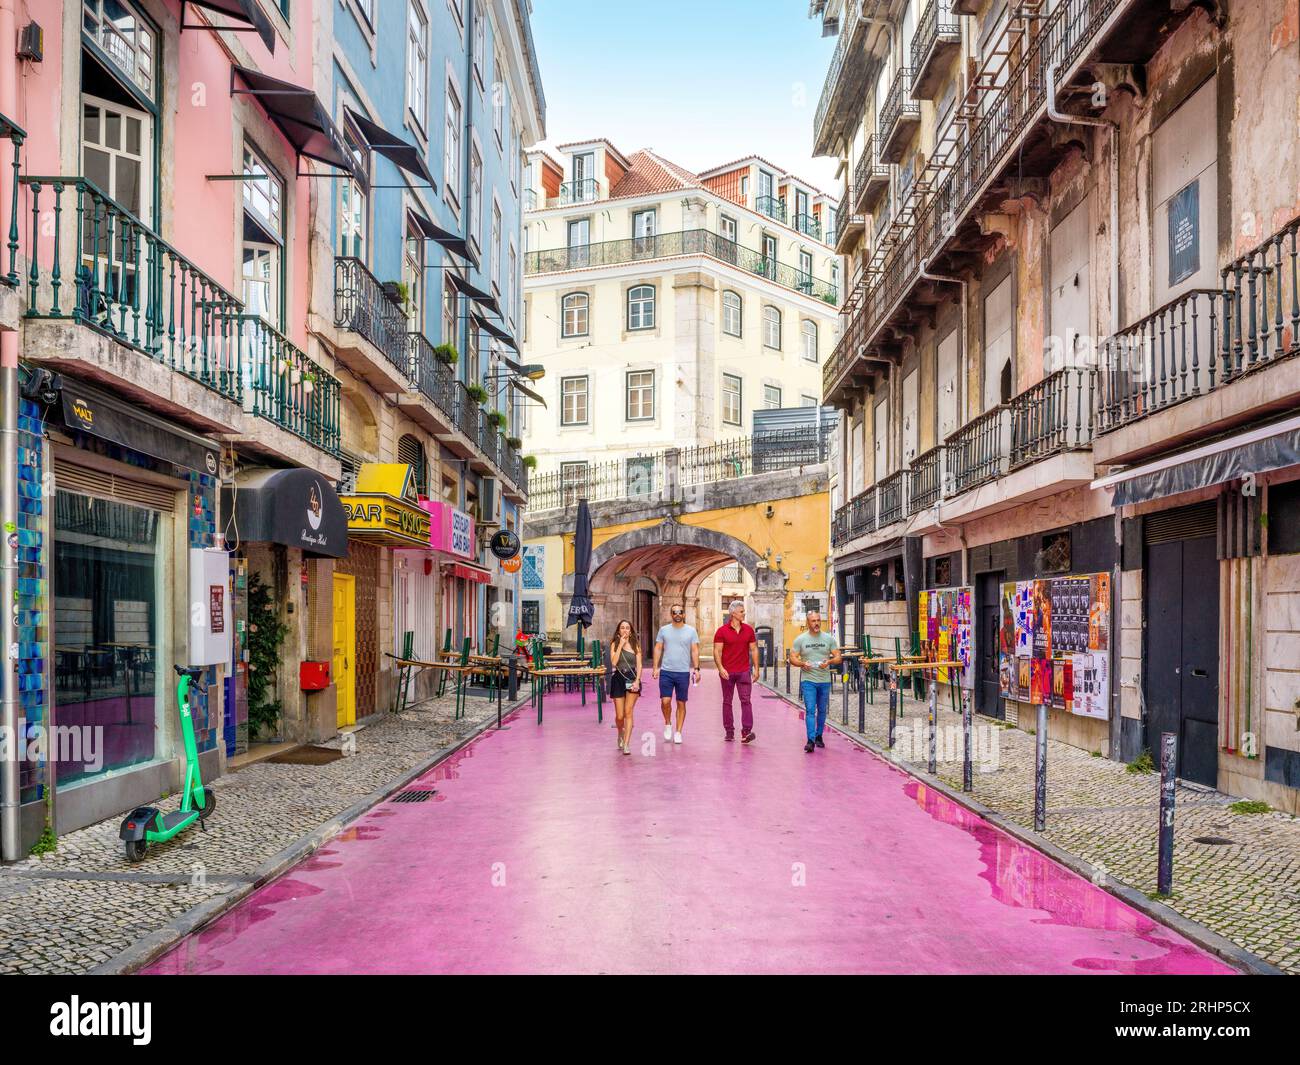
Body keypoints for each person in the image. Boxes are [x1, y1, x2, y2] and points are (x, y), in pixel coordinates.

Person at [789, 609, 841, 753]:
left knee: (822, 710)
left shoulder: (828, 638)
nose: (817, 623)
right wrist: (801, 664)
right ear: (808, 622)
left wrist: (829, 661)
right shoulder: (801, 639)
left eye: (818, 620)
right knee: (811, 710)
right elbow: (792, 657)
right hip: (808, 680)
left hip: (824, 680)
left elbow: (838, 657)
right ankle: (810, 740)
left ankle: (819, 736)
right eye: (813, 621)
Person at [652, 605, 699, 745]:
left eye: (680, 612)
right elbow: (658, 648)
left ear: (684, 614)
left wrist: (696, 669)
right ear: (671, 614)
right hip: (666, 671)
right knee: (665, 701)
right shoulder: (664, 630)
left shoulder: (691, 631)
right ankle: (668, 723)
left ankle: (678, 732)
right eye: (674, 612)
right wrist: (655, 667)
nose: (677, 614)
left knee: (681, 703)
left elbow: (695, 650)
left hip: (683, 672)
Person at [713, 599, 759, 743]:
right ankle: (729, 731)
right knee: (727, 701)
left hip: (744, 671)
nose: (744, 613)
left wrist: (756, 668)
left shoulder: (749, 630)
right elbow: (716, 651)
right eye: (741, 611)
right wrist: (720, 668)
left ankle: (746, 732)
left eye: (743, 611)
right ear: (733, 613)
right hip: (727, 672)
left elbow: (753, 649)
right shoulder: (721, 631)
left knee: (746, 701)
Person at [608, 619, 642, 755]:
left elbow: (639, 665)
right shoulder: (614, 644)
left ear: (631, 631)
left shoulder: (635, 645)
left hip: (632, 679)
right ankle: (620, 733)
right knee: (620, 716)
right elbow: (614, 662)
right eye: (622, 628)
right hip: (618, 679)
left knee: (628, 712)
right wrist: (621, 644)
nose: (625, 630)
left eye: (627, 628)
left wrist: (637, 681)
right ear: (618, 630)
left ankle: (627, 744)